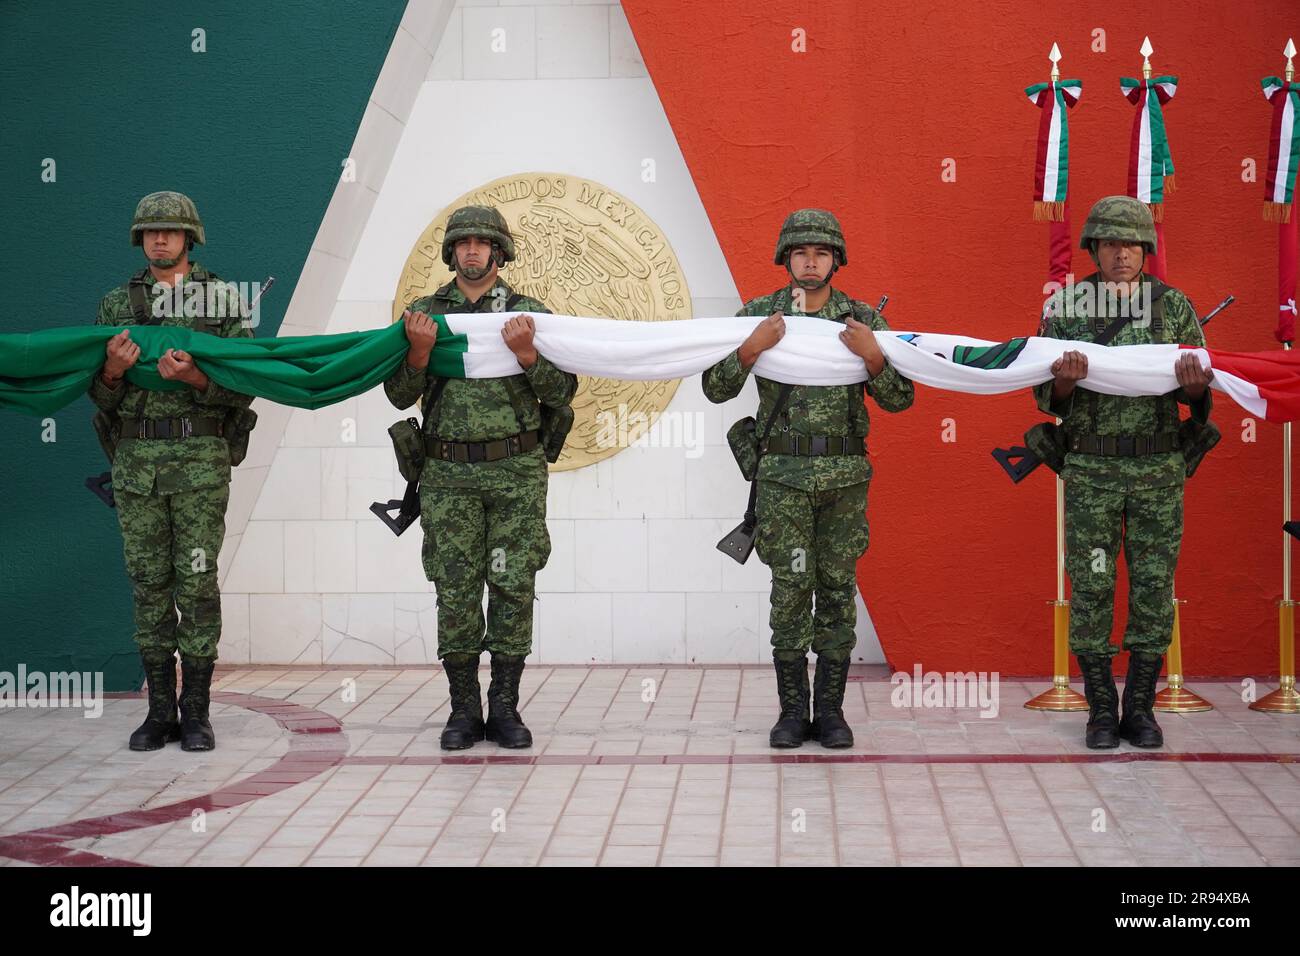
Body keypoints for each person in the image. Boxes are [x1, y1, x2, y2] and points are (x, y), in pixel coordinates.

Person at [703, 208, 913, 749]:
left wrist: (874, 360)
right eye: (801, 253)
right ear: (786, 259)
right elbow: (715, 387)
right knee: (791, 590)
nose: (811, 262)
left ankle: (833, 713)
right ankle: (793, 713)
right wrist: (751, 349)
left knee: (838, 590)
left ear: (836, 260)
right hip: (783, 478)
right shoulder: (759, 316)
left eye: (821, 253)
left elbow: (901, 399)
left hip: (844, 478)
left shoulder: (860, 320)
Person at [384, 205, 576, 750]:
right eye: (463, 242)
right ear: (452, 252)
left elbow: (562, 393)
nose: (472, 250)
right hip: (446, 473)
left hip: (515, 471)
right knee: (456, 587)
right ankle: (464, 710)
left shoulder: (527, 314)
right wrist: (419, 353)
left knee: (513, 585)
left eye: (482, 242)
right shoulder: (425, 314)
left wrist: (527, 354)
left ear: (499, 251)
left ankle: (507, 708)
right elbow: (398, 394)